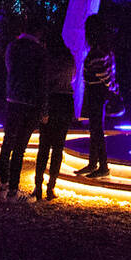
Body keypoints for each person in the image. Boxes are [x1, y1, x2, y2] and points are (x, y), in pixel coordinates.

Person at [0, 15, 45, 199]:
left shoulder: (12, 46)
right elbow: (41, 80)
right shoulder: (39, 51)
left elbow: (9, 69)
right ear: (39, 31)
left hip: (13, 98)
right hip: (30, 101)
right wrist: (43, 107)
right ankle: (13, 190)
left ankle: (3, 184)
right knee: (20, 148)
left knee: (7, 142)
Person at [31, 32, 76, 200]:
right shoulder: (69, 58)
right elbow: (73, 78)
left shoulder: (47, 59)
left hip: (51, 101)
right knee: (58, 147)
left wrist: (43, 110)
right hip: (65, 102)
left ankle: (38, 186)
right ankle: (51, 187)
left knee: (44, 147)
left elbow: (42, 84)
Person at [75, 14, 119, 179]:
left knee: (97, 130)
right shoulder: (102, 49)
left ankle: (102, 165)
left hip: (96, 93)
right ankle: (94, 163)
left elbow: (104, 74)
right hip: (97, 92)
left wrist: (112, 88)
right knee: (94, 128)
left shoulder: (98, 51)